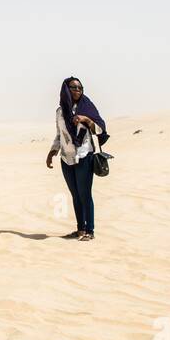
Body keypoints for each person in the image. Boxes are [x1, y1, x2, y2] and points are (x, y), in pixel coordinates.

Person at [46, 76, 107, 241]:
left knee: (85, 194)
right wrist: (52, 152)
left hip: (84, 156)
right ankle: (80, 229)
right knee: (75, 194)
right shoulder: (60, 112)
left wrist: (86, 119)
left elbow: (101, 130)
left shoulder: (87, 107)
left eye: (80, 88)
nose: (77, 90)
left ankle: (90, 231)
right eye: (73, 88)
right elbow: (59, 134)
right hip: (66, 158)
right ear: (66, 89)